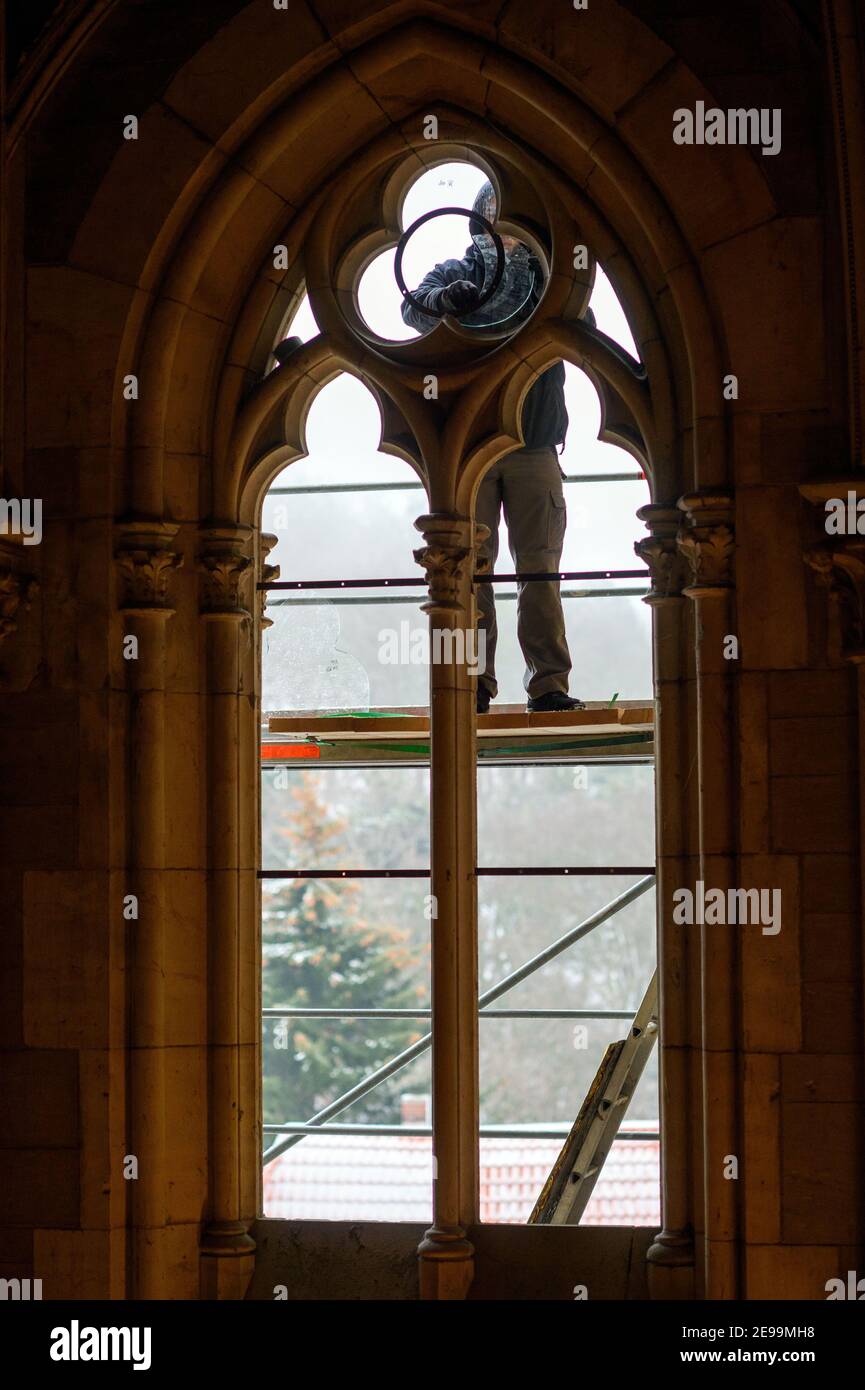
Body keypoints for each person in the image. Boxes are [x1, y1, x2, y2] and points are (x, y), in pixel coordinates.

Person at [401, 181, 584, 714]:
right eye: (496, 206)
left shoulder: (551, 279)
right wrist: (445, 299)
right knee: (464, 571)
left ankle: (548, 686)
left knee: (540, 571)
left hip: (536, 445)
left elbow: (583, 328)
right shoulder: (460, 271)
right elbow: (413, 307)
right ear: (479, 216)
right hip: (474, 447)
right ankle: (470, 684)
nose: (505, 216)